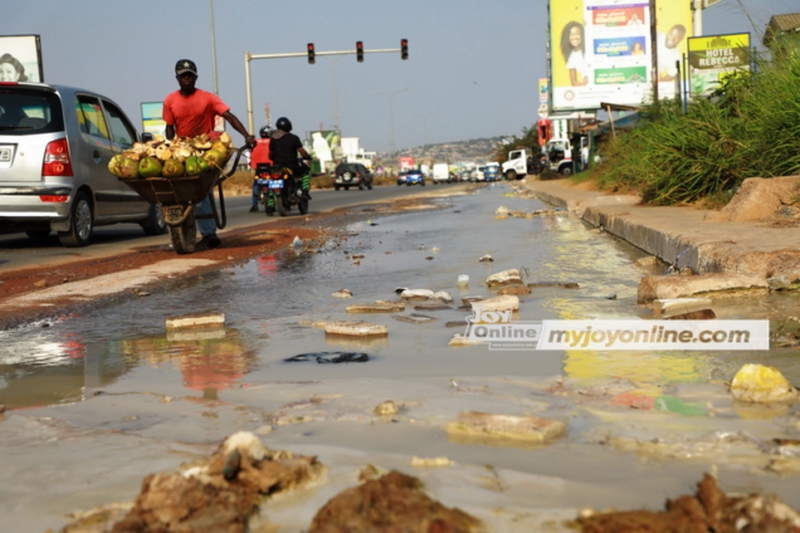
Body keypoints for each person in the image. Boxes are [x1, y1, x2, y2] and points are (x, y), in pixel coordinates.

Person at [162, 59, 256, 249]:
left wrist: (247, 136)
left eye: (189, 76)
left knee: (201, 189)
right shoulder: (170, 100)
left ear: (195, 78)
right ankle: (183, 228)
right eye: (183, 76)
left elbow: (229, 117)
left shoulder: (208, 98)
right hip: (183, 149)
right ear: (177, 79)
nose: (186, 79)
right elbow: (169, 128)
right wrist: (171, 146)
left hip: (205, 146)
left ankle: (209, 232)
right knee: (178, 187)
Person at [269, 116, 312, 199]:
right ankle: (305, 191)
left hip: (277, 167)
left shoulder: (273, 139)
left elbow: (270, 154)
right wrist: (307, 157)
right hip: (292, 166)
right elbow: (302, 152)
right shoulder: (293, 138)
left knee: (271, 183)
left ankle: (270, 205)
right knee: (306, 171)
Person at [248, 125, 273, 212]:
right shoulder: (273, 142)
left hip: (258, 167)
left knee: (255, 183)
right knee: (273, 182)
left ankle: (254, 204)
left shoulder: (254, 142)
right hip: (270, 167)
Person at [560, 21, 588, 87]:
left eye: (577, 34)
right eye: (571, 35)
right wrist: (583, 85)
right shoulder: (572, 56)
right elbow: (573, 81)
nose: (574, 37)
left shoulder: (590, 48)